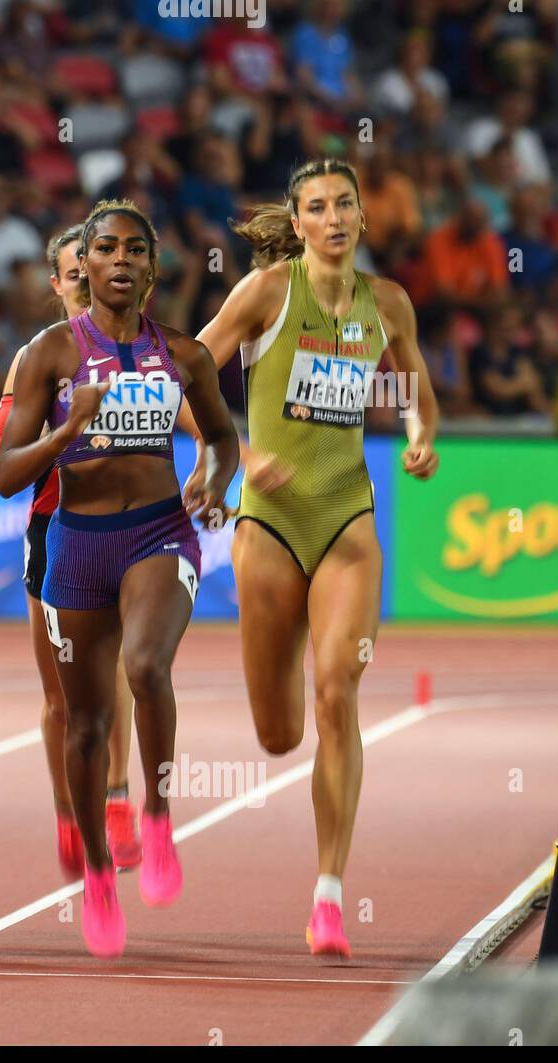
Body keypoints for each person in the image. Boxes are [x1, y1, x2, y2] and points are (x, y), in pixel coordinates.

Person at [190, 157, 439, 956]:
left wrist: (419, 435)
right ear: (295, 224)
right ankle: (277, 717)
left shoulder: (387, 303)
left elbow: (414, 386)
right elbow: (190, 368)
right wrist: (238, 450)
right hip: (268, 524)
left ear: (364, 218)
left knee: (339, 692)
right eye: (317, 208)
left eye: (345, 205)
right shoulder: (267, 293)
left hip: (346, 520)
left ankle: (329, 891)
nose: (333, 219)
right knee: (277, 733)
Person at [0, 200, 238, 958]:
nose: (121, 260)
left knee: (145, 665)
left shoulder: (187, 355)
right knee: (87, 723)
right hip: (76, 546)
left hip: (159, 534)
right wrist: (67, 431)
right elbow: (4, 475)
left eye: (136, 249)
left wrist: (213, 474)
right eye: (106, 249)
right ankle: (99, 870)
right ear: (86, 266)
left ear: (153, 268)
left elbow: (225, 437)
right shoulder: (48, 355)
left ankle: (160, 821)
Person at [0, 226, 138, 879]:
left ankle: (120, 800)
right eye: (73, 275)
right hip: (54, 533)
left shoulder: (139, 346)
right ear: (57, 283)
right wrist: (61, 433)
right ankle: (69, 812)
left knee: (117, 670)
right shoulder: (36, 358)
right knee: (61, 701)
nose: (87, 284)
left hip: (127, 531)